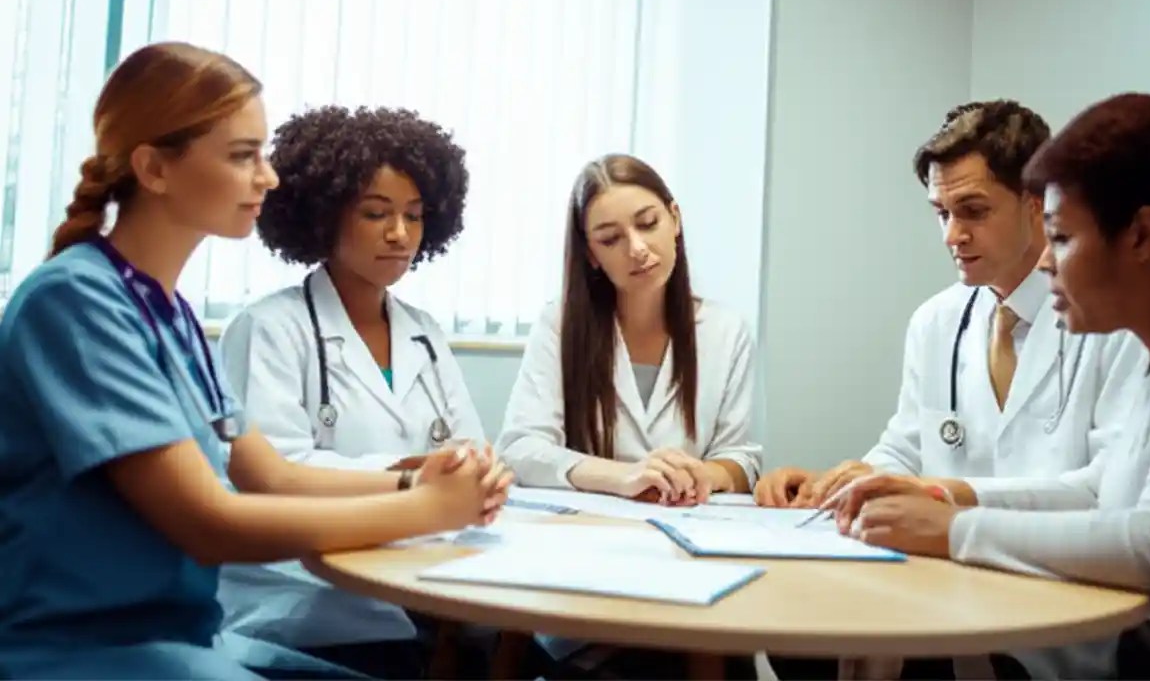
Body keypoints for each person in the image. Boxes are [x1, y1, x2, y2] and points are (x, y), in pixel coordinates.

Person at [0, 41, 510, 680]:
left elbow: (271, 475)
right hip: (81, 651)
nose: (267, 177)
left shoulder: (169, 314)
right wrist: (429, 510)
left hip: (184, 638)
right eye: (244, 156)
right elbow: (209, 524)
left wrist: (416, 482)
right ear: (154, 168)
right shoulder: (77, 302)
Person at [833, 92, 1150, 679]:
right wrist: (943, 498)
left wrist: (955, 530)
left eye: (1062, 238)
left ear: (1141, 236)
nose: (1047, 263)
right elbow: (1100, 489)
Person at [756, 100, 1147, 679]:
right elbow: (907, 447)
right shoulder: (937, 321)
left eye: (973, 211)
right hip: (940, 591)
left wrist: (944, 493)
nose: (951, 235)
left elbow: (1107, 494)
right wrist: (846, 481)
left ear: (1037, 204)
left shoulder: (1112, 325)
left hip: (1053, 614)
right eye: (941, 213)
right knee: (796, 642)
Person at [216, 106, 488, 677]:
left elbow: (469, 451)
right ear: (324, 216)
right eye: (376, 213)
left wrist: (478, 475)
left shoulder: (425, 334)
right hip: (303, 605)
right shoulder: (269, 327)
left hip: (419, 586)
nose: (400, 234)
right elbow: (274, 472)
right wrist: (413, 475)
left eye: (414, 216)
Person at [496, 153, 762, 505]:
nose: (637, 249)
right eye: (610, 239)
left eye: (648, 223)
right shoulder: (559, 325)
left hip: (687, 517)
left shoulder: (726, 331)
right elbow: (520, 449)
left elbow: (740, 458)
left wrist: (697, 476)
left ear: (675, 219)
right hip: (591, 524)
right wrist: (624, 477)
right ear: (591, 254)